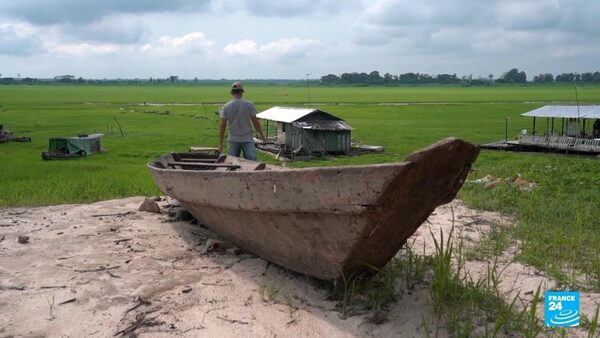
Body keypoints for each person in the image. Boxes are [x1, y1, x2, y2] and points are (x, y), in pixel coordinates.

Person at [218, 81, 265, 160]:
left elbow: (223, 126)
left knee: (232, 163)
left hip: (233, 139)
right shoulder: (249, 105)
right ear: (242, 92)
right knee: (251, 164)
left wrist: (221, 143)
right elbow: (256, 122)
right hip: (247, 139)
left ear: (232, 93)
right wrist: (262, 136)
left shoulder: (226, 107)